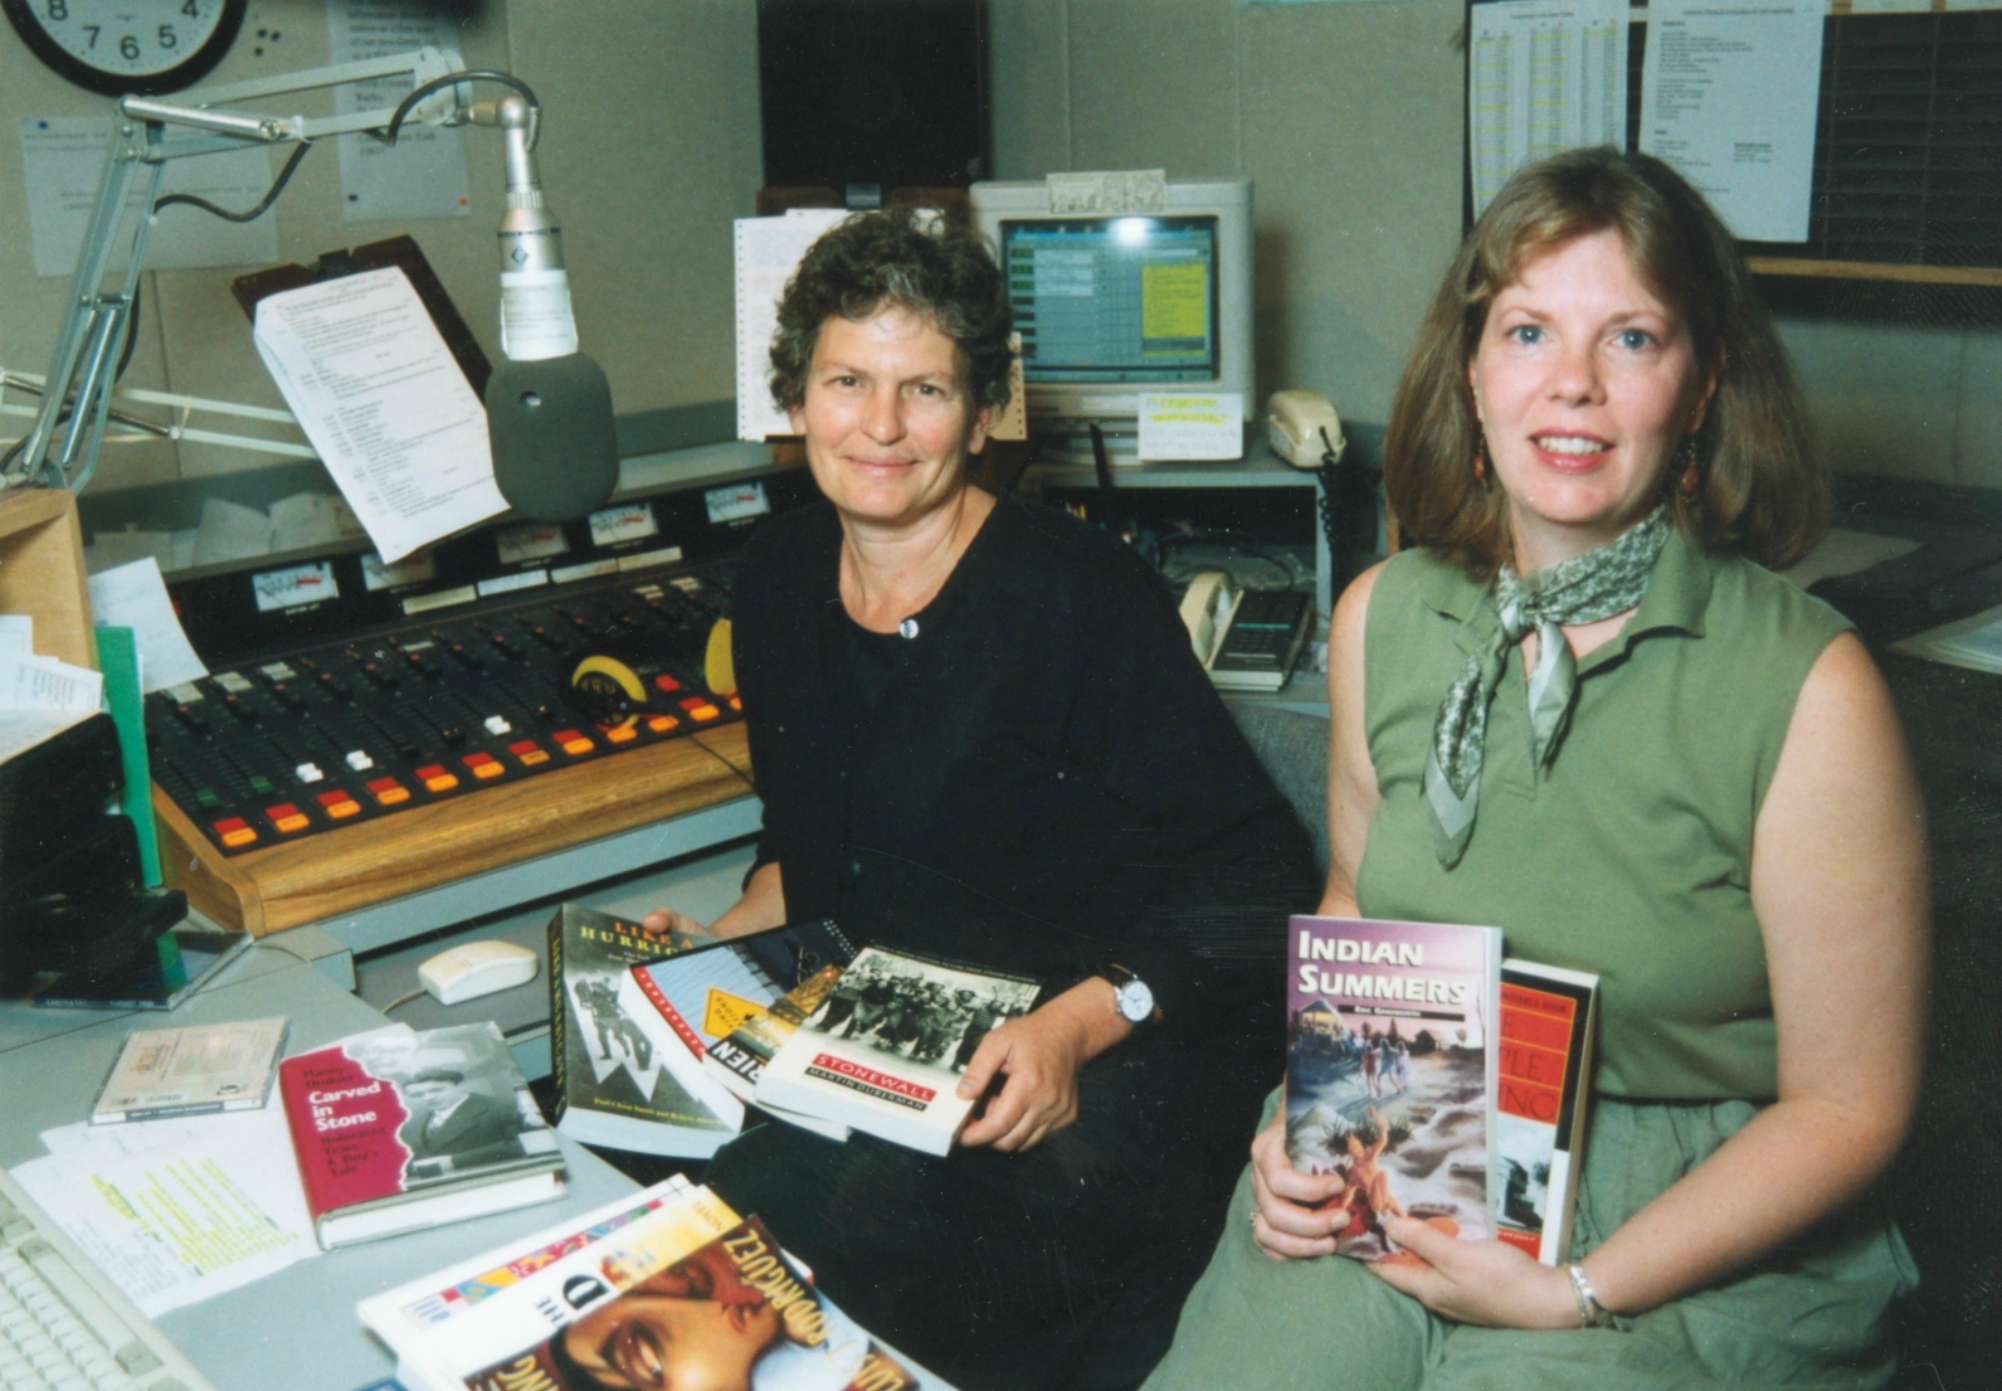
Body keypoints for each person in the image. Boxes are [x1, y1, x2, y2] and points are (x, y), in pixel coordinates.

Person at [1144, 147, 1928, 1388]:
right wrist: (1311, 1126)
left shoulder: (1812, 688)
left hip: (1681, 1198)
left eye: (1629, 339)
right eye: (1526, 332)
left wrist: (1571, 1289)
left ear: (1703, 376)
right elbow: (1358, 900)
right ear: (1471, 365)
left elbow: (1849, 1107)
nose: (1570, 387)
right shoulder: (1377, 617)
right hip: (1412, 1122)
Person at [643, 206, 1320, 1391]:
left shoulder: (1077, 595)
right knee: (672, 1233)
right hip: (894, 1041)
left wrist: (1077, 1023)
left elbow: (1262, 882)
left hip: (1106, 1061)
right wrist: (714, 949)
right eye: (848, 380)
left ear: (985, 408)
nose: (883, 427)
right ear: (794, 394)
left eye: (927, 390)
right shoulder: (774, 577)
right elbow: (805, 846)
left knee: (858, 1252)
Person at [399, 1069, 528, 1176]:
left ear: (461, 1085)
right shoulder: (411, 1123)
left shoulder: (501, 1108)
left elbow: (521, 1144)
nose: (428, 1098)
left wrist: (453, 1161)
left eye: (437, 1090)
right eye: (418, 1095)